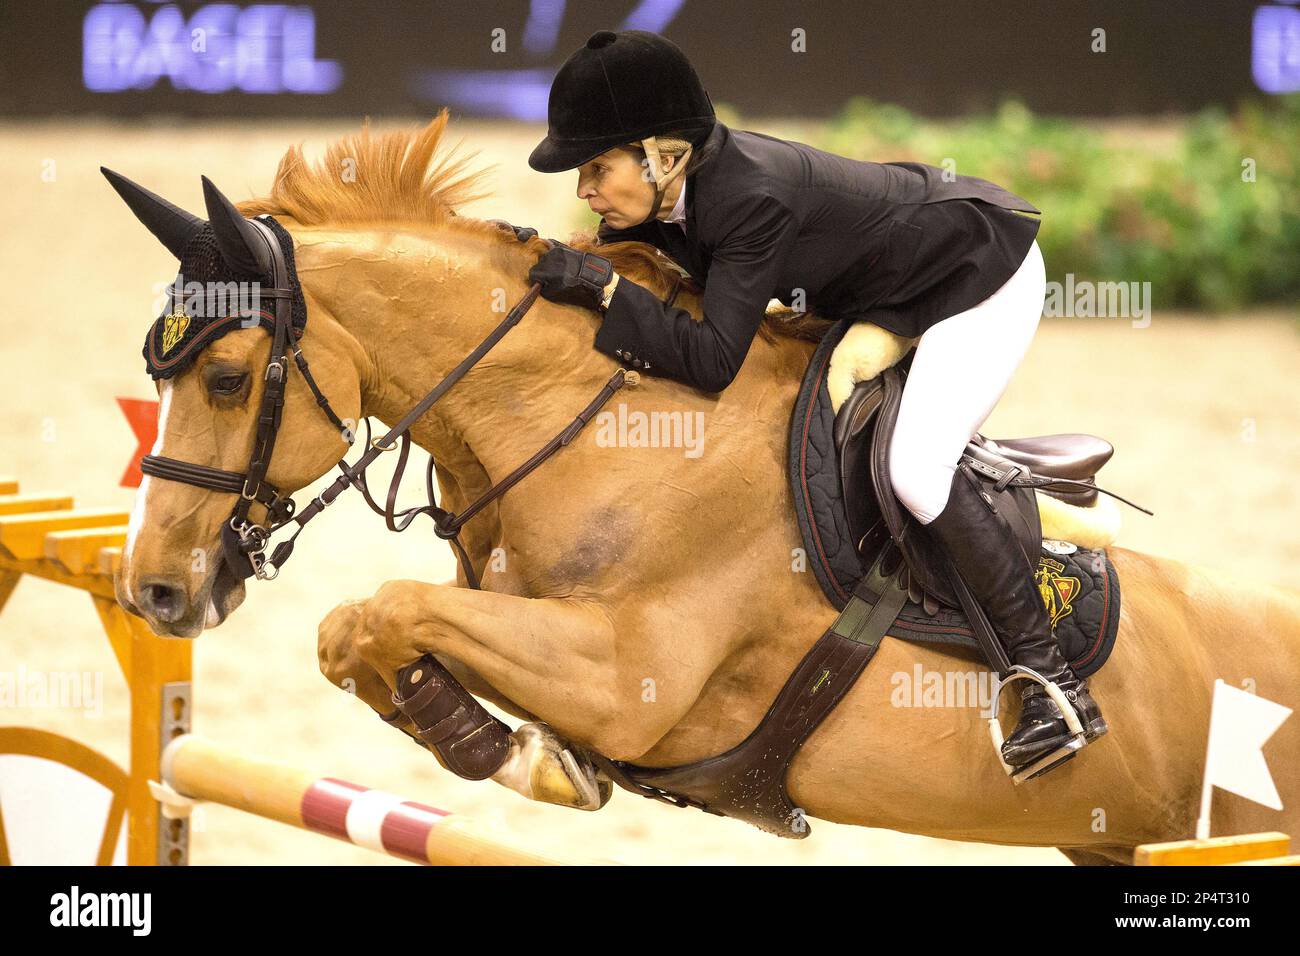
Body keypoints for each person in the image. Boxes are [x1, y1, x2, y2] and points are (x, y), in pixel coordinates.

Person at [525, 29, 1106, 773]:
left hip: (978, 277)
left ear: (665, 156)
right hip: (896, 285)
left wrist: (606, 289)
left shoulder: (749, 197)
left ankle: (1053, 688)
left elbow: (710, 361)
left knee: (916, 469)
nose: (584, 189)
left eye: (596, 167)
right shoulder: (683, 194)